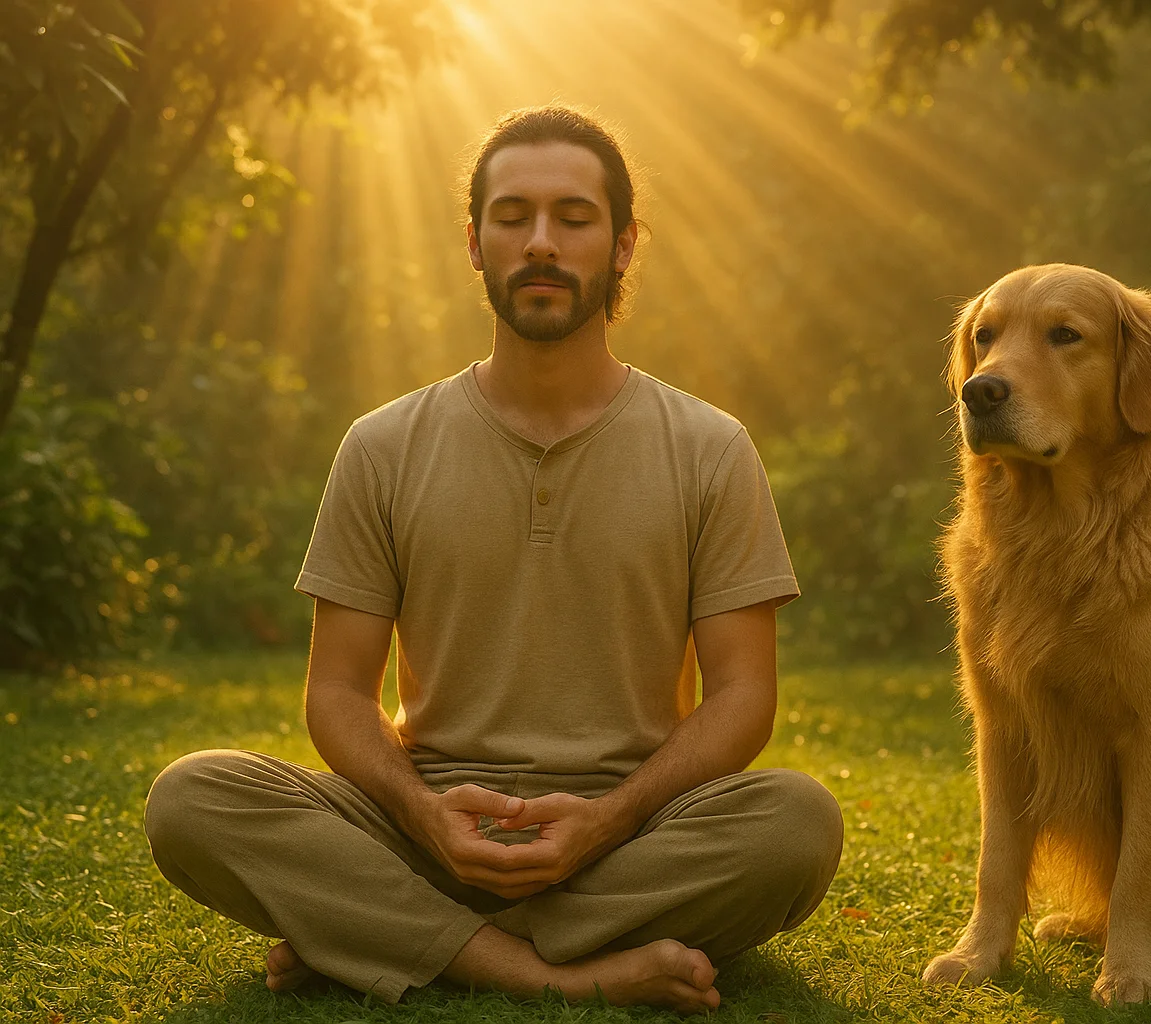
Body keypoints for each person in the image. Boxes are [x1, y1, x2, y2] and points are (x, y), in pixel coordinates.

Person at [143, 105, 843, 1014]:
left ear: (624, 245)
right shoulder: (383, 445)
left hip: (633, 832)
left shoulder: (710, 448)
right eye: (512, 217)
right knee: (193, 798)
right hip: (421, 824)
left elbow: (744, 697)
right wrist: (423, 816)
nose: (541, 242)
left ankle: (376, 934)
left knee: (796, 824)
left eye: (574, 217)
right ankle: (556, 971)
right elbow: (338, 693)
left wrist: (606, 821)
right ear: (475, 242)